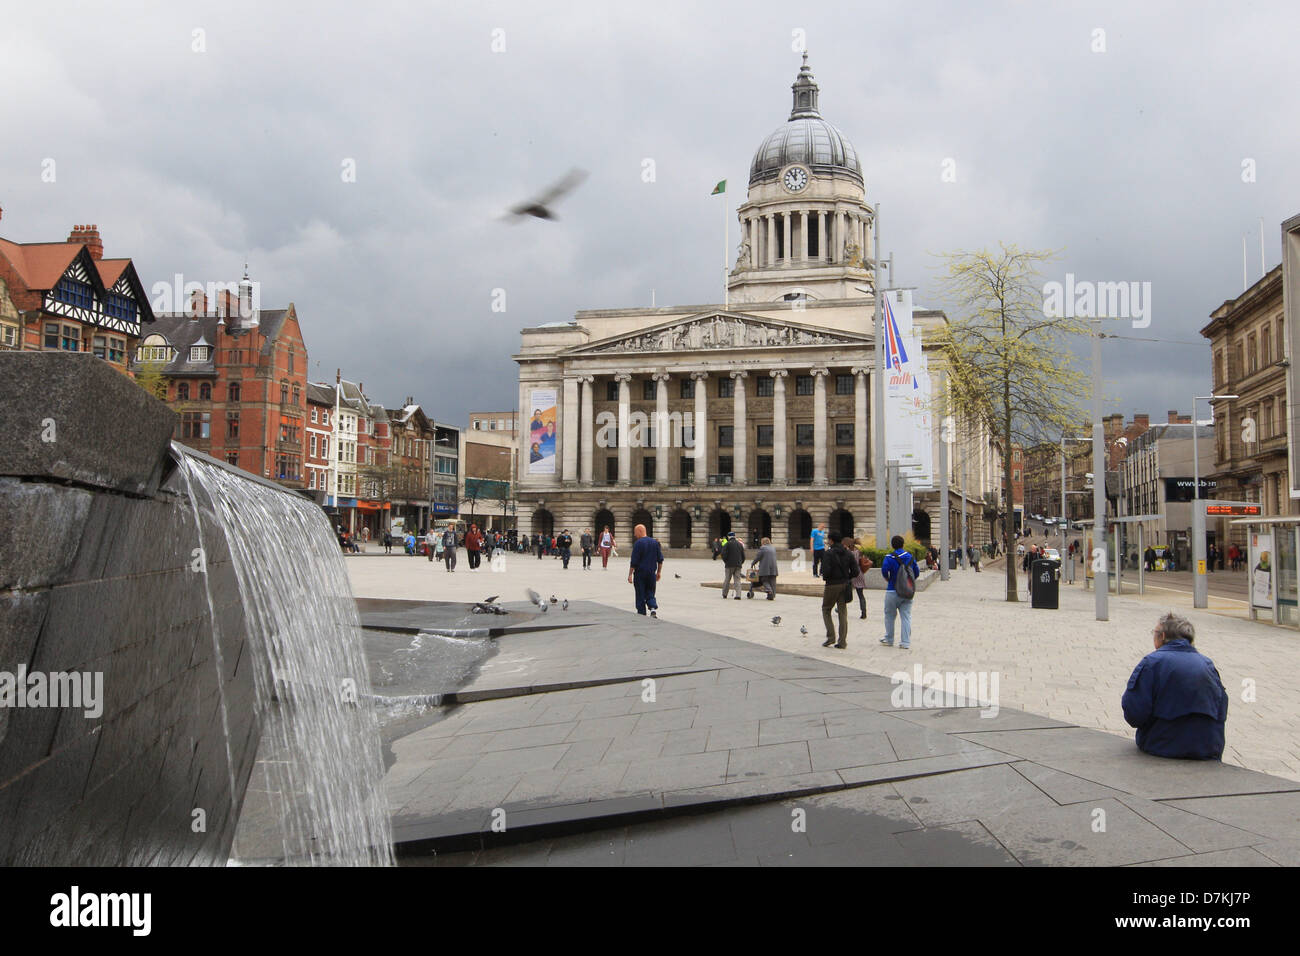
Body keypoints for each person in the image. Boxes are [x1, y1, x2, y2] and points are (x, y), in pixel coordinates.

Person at [1121, 612, 1228, 760]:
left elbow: (1134, 713)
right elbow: (1221, 708)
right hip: (1207, 748)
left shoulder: (1152, 662)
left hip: (1163, 746)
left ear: (1163, 636)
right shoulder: (1207, 664)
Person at [880, 535, 921, 650]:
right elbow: (916, 573)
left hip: (892, 590)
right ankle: (905, 642)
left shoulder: (889, 557)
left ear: (892, 545)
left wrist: (889, 579)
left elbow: (884, 571)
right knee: (906, 616)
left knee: (889, 616)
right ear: (903, 544)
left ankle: (889, 639)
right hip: (907, 592)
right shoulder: (910, 557)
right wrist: (908, 582)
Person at [819, 532, 857, 648]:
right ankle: (842, 641)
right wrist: (847, 578)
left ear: (831, 540)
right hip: (845, 585)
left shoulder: (828, 553)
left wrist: (827, 577)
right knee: (842, 612)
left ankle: (831, 637)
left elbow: (825, 571)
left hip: (832, 585)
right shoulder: (848, 553)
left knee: (826, 609)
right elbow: (856, 571)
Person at [627, 523, 664, 617]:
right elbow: (660, 560)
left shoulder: (638, 543)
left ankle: (641, 614)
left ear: (640, 531)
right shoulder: (655, 543)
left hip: (640, 574)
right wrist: (659, 572)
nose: (635, 535)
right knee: (650, 592)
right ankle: (652, 609)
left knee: (640, 593)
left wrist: (630, 574)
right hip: (651, 573)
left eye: (635, 532)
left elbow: (634, 561)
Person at [847, 539, 873, 619]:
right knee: (861, 595)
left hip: (850, 573)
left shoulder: (848, 553)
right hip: (859, 572)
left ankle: (839, 608)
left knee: (844, 592)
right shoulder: (860, 552)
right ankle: (863, 612)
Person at [721, 533, 746, 600]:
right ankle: (738, 595)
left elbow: (723, 554)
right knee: (737, 580)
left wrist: (726, 561)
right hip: (738, 565)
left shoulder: (727, 544)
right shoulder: (740, 544)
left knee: (727, 580)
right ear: (734, 536)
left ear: (729, 537)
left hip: (729, 565)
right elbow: (743, 556)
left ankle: (724, 594)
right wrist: (741, 562)